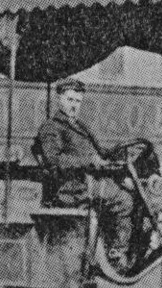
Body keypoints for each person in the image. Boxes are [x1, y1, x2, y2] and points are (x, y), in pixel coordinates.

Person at [35, 78, 135, 269]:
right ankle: (117, 254)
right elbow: (53, 160)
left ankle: (122, 252)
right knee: (124, 201)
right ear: (59, 99)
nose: (74, 105)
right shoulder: (52, 127)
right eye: (70, 100)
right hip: (72, 187)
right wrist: (88, 161)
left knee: (135, 190)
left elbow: (101, 152)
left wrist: (124, 154)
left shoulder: (81, 126)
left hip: (87, 181)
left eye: (78, 101)